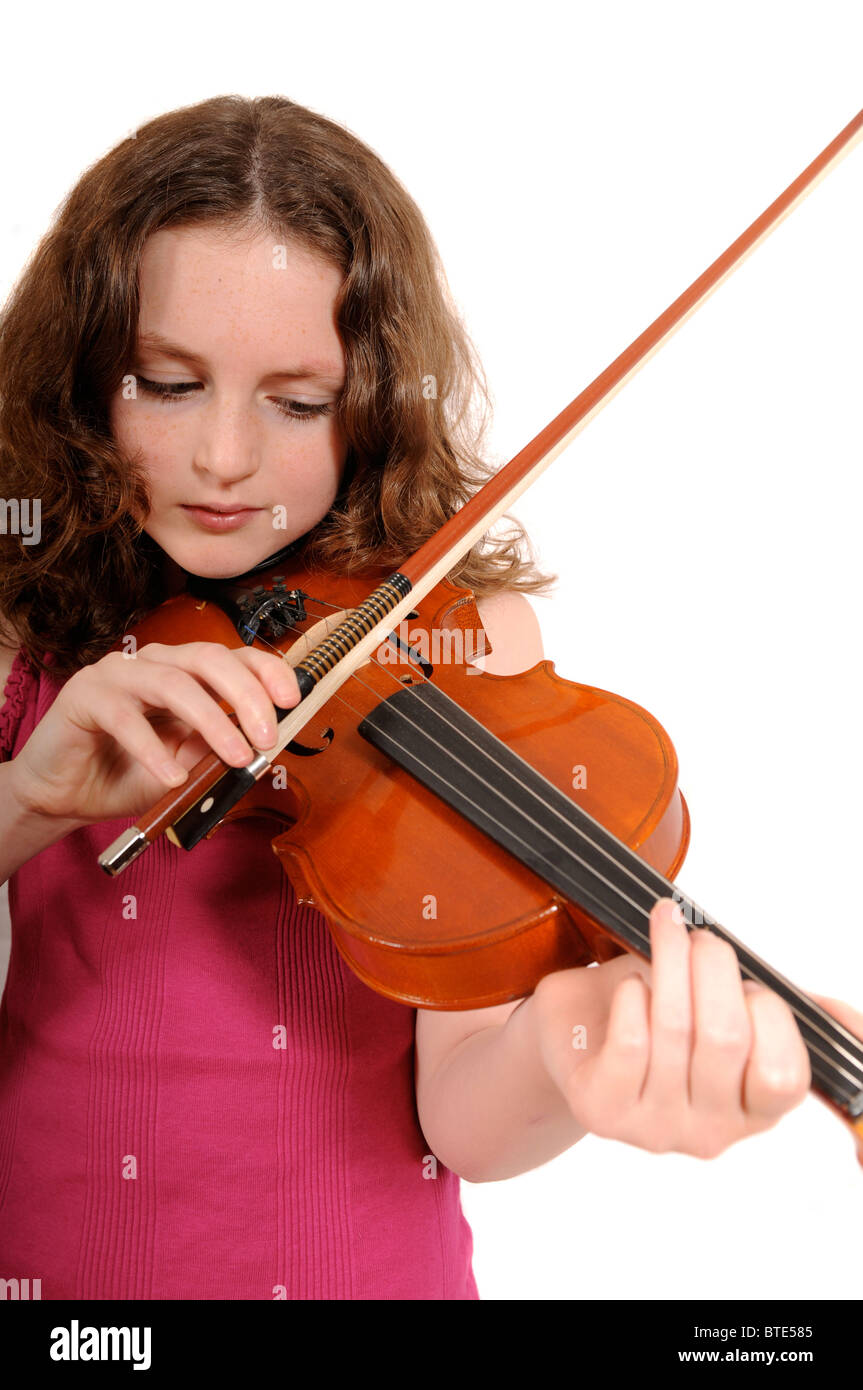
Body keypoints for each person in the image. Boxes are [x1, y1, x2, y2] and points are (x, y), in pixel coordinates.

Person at [0, 95, 859, 1301]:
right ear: (85, 376)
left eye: (297, 403)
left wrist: (577, 1047)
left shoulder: (462, 641)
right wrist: (26, 804)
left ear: (376, 404)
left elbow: (461, 1113)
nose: (224, 458)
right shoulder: (23, 629)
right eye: (165, 383)